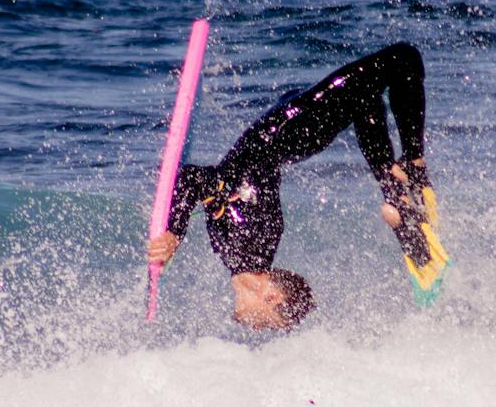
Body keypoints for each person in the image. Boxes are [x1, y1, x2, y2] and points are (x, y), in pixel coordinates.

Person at [144, 41, 441, 331]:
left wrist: (179, 221)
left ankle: (393, 187)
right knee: (404, 58)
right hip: (293, 132)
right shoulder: (249, 242)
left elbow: (208, 186)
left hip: (287, 132)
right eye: (268, 322)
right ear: (273, 296)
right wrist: (175, 232)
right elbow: (193, 178)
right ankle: (411, 166)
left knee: (365, 96)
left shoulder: (240, 254)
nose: (258, 329)